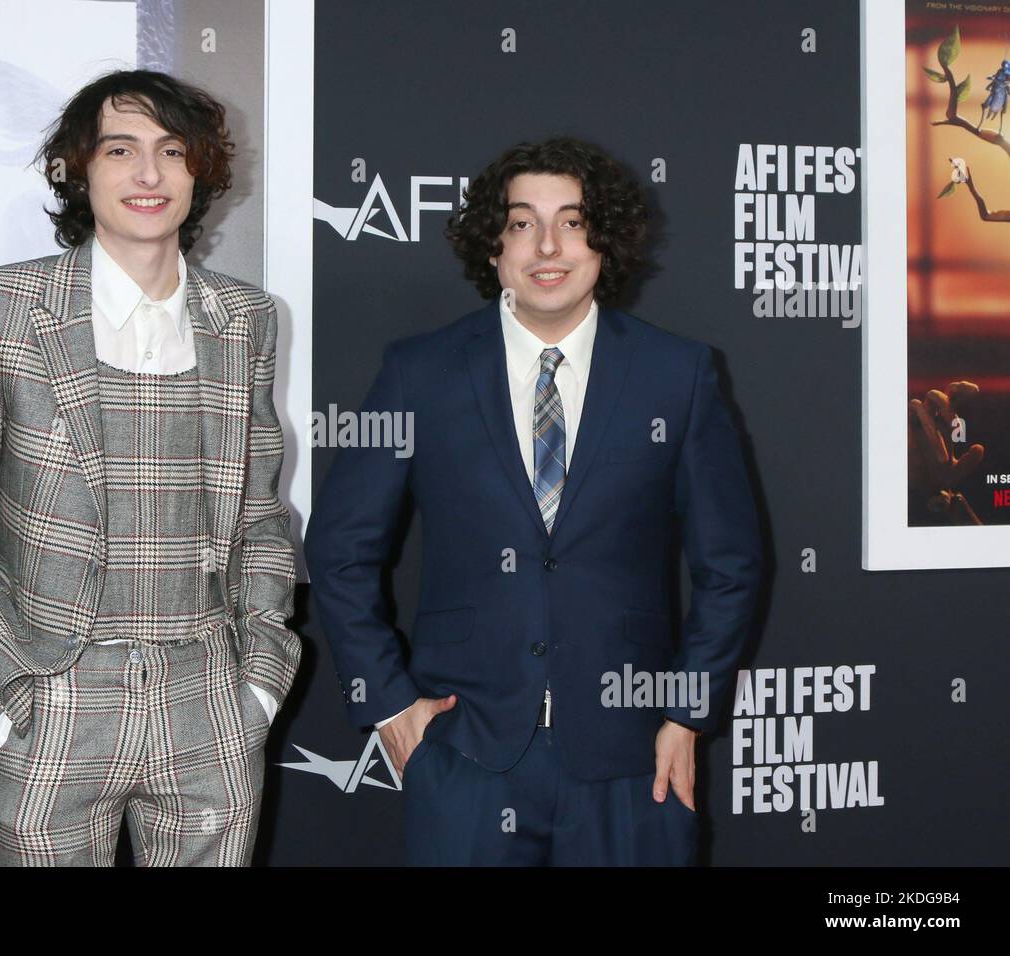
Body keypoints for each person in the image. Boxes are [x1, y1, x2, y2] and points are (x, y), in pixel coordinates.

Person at [304, 136, 763, 866]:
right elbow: (338, 548)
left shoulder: (677, 375)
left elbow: (731, 563)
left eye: (574, 221)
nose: (548, 245)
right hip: (465, 754)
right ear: (493, 246)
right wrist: (389, 704)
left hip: (634, 753)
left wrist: (686, 713)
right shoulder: (419, 372)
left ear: (603, 241)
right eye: (522, 223)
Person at [0, 69, 299, 866]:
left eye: (172, 151)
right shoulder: (4, 310)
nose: (148, 174)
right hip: (51, 699)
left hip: (209, 701)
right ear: (78, 170)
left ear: (202, 172)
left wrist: (256, 681)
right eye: (120, 149)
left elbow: (259, 520)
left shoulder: (246, 319)